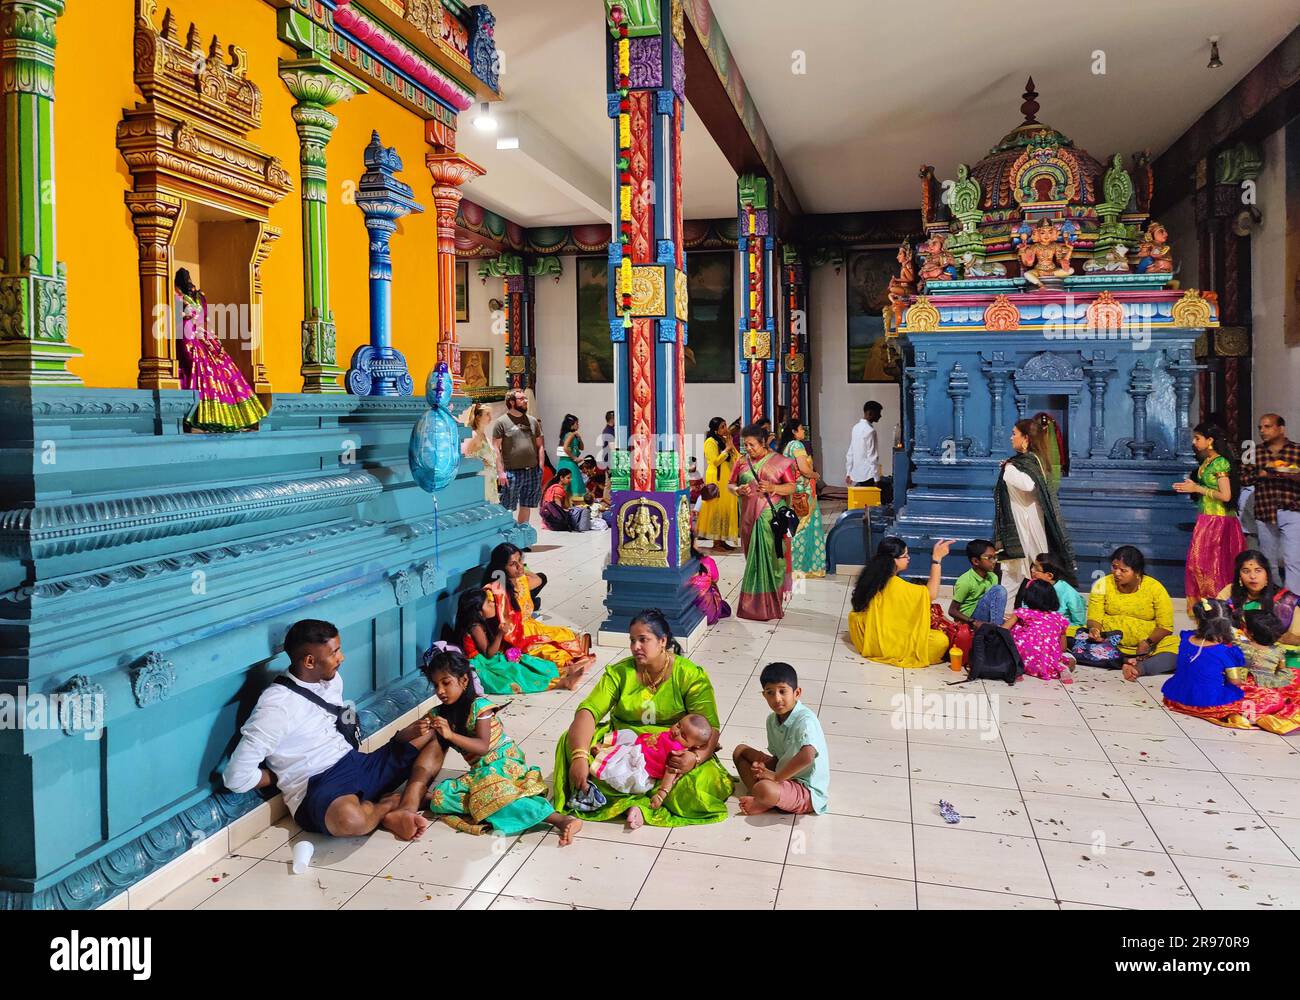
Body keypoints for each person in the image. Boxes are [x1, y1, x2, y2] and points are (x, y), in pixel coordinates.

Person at [222, 620, 436, 841]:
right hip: (317, 784)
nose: (341, 658)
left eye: (339, 649)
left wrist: (399, 740)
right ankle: (387, 805)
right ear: (309, 661)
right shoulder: (275, 708)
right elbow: (236, 778)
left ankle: (403, 808)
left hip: (354, 762)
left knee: (434, 733)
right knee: (350, 820)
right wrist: (279, 775)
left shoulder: (331, 679)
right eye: (334, 653)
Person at [554, 610, 733, 829]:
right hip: (625, 746)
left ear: (662, 641)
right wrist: (579, 756)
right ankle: (640, 800)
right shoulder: (620, 673)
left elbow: (711, 728)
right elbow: (588, 711)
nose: (635, 646)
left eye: (643, 640)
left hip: (671, 751)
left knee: (701, 782)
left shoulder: (689, 675)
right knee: (571, 743)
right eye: (632, 640)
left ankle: (633, 802)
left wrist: (694, 759)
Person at [405, 649, 581, 843]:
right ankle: (429, 800)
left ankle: (560, 820)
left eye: (446, 683)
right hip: (481, 772)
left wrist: (450, 735)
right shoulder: (439, 713)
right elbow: (409, 736)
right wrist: (411, 732)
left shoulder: (480, 707)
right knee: (448, 795)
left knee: (492, 791)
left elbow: (482, 746)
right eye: (436, 685)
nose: (440, 691)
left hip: (504, 763)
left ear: (464, 681)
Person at [174, 268, 266, 432]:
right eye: (186, 279)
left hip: (199, 338)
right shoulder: (187, 297)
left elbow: (199, 320)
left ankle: (220, 416)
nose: (188, 282)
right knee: (207, 369)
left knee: (213, 369)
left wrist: (208, 336)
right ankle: (210, 417)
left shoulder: (191, 298)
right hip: (196, 337)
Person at [732, 662, 829, 817]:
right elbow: (779, 757)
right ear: (764, 695)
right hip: (783, 776)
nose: (777, 699)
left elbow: (808, 756)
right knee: (740, 751)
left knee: (765, 788)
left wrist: (776, 777)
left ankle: (763, 798)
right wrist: (763, 767)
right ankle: (765, 797)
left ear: (797, 693)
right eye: (770, 693)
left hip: (805, 789)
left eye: (783, 691)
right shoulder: (772, 720)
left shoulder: (806, 720)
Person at [445, 588, 584, 695]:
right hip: (484, 664)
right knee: (516, 673)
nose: (492, 604)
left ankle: (563, 671)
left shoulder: (478, 624)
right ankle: (562, 682)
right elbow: (489, 653)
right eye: (488, 603)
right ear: (478, 611)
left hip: (490, 659)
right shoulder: (475, 627)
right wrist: (500, 634)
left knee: (525, 660)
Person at [993, 416, 1075, 594]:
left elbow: (1028, 485)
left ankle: (1047, 613)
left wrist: (1009, 468)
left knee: (1031, 571)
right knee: (1015, 574)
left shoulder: (1025, 463)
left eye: (1014, 434)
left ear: (1026, 439)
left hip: (1026, 525)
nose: (1011, 437)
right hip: (1024, 522)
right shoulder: (1030, 461)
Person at [482, 543, 594, 670]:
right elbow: (487, 618)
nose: (519, 567)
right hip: (515, 637)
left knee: (568, 636)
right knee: (556, 654)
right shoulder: (494, 591)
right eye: (513, 564)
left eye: (520, 560)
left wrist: (523, 570)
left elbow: (539, 580)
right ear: (501, 568)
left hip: (533, 627)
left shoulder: (522, 581)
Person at [848, 536, 955, 668]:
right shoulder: (894, 584)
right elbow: (931, 594)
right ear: (893, 560)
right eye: (905, 555)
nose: (908, 558)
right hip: (883, 642)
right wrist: (936, 560)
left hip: (864, 636)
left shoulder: (872, 575)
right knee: (940, 641)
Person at [729, 423, 799, 621]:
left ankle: (772, 603)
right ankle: (754, 605)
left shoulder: (780, 462)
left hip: (770, 519)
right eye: (746, 446)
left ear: (763, 443)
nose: (749, 449)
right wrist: (738, 490)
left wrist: (773, 488)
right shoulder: (742, 462)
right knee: (753, 559)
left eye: (752, 445)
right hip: (748, 518)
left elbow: (792, 487)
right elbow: (730, 484)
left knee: (773, 560)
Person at [1175, 423, 1246, 613]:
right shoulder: (1207, 462)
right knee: (1198, 566)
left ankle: (1218, 610)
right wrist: (1192, 487)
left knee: (1213, 567)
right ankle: (1207, 610)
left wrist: (1197, 488)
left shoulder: (1220, 462)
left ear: (1210, 441)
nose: (1193, 442)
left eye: (1197, 438)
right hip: (1206, 519)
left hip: (1218, 522)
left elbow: (1226, 496)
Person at [1085, 545, 1179, 680]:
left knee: (1180, 647)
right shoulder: (1102, 584)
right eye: (1114, 567)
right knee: (1070, 633)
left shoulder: (1155, 588)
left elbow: (1166, 626)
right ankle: (1125, 660)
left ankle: (1140, 668)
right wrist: (1095, 630)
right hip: (1109, 643)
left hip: (1147, 648)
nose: (1117, 573)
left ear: (1137, 572)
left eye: (1123, 570)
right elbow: (1095, 616)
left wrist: (1147, 642)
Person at [588, 714, 713, 810]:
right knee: (628, 734)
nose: (676, 732)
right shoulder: (672, 734)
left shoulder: (678, 753)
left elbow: (671, 772)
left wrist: (661, 794)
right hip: (637, 745)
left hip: (642, 765)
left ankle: (601, 755)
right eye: (678, 725)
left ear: (694, 746)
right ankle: (603, 744)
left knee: (622, 772)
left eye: (683, 736)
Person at [1241, 413, 1300, 587]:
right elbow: (1243, 478)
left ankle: (1293, 602)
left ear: (1281, 429)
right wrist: (1261, 474)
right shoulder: (1253, 452)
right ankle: (1273, 597)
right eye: (1260, 427)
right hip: (1265, 510)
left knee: (1293, 559)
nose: (1262, 431)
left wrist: (1292, 474)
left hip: (1292, 510)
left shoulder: (1296, 450)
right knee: (1268, 561)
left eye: (1267, 426)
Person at [1217, 549, 1300, 645]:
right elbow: (1215, 620)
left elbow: (1296, 638)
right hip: (1237, 648)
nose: (1252, 576)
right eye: (1246, 571)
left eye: (1258, 570)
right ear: (1239, 576)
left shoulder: (1287, 602)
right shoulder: (1230, 592)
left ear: (1267, 574)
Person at [779, 419, 827, 579]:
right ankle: (800, 567)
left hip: (794, 493)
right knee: (803, 528)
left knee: (795, 526)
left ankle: (791, 565)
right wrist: (816, 475)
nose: (803, 432)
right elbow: (805, 470)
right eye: (801, 429)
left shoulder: (786, 447)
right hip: (804, 492)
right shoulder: (797, 446)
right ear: (794, 431)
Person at [490, 389, 544, 526]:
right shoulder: (501, 422)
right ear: (512, 402)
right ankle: (506, 536)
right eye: (521, 399)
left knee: (526, 504)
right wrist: (500, 472)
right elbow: (496, 448)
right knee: (507, 506)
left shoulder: (532, 421)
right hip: (511, 472)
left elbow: (540, 445)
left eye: (525, 398)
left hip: (532, 470)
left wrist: (541, 467)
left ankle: (522, 534)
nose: (526, 401)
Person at [1010, 579, 1073, 683]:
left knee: (1017, 627)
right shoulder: (1059, 618)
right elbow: (1063, 648)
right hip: (1048, 663)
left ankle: (1017, 670)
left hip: (1021, 660)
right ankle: (1062, 667)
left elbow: (1003, 629)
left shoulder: (1022, 612)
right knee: (1071, 659)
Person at [699, 416, 740, 551]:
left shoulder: (725, 441)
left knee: (726, 508)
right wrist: (727, 449)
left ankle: (722, 540)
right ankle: (716, 542)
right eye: (722, 426)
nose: (725, 428)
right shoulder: (710, 442)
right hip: (716, 479)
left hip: (727, 479)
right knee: (717, 509)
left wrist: (731, 446)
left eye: (725, 425)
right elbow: (714, 461)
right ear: (715, 430)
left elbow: (737, 458)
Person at [948, 539, 1011, 627]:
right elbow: (952, 611)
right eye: (990, 558)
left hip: (983, 617)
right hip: (969, 620)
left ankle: (996, 627)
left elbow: (991, 603)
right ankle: (996, 631)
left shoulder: (993, 577)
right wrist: (973, 622)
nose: (994, 561)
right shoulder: (965, 581)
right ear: (976, 561)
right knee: (999, 590)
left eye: (995, 557)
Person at [1031, 551, 1087, 631]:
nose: (1032, 570)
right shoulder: (1031, 586)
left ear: (1049, 575)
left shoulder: (1069, 593)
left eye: (1036, 569)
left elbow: (1079, 623)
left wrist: (1052, 628)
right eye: (1033, 567)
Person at [461, 402, 500, 505]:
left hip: (489, 482)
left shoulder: (484, 435)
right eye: (487, 414)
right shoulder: (473, 435)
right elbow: (464, 458)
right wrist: (480, 462)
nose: (490, 417)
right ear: (478, 417)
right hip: (480, 484)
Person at [845, 400, 883, 487]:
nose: (880, 416)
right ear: (870, 413)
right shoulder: (870, 431)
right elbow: (872, 457)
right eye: (878, 413)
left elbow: (851, 452)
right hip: (868, 475)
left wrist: (849, 472)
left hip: (857, 474)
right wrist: (877, 479)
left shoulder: (856, 428)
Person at [688, 550, 731, 626]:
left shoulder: (680, 564)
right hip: (709, 616)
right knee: (711, 584)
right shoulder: (708, 560)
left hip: (685, 616)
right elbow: (715, 579)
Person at [555, 414, 586, 499]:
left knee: (566, 486)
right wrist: (575, 458)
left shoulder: (572, 435)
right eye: (577, 423)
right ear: (572, 425)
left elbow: (582, 447)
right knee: (574, 485)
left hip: (564, 462)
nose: (578, 425)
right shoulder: (570, 435)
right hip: (569, 463)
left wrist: (579, 438)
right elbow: (565, 448)